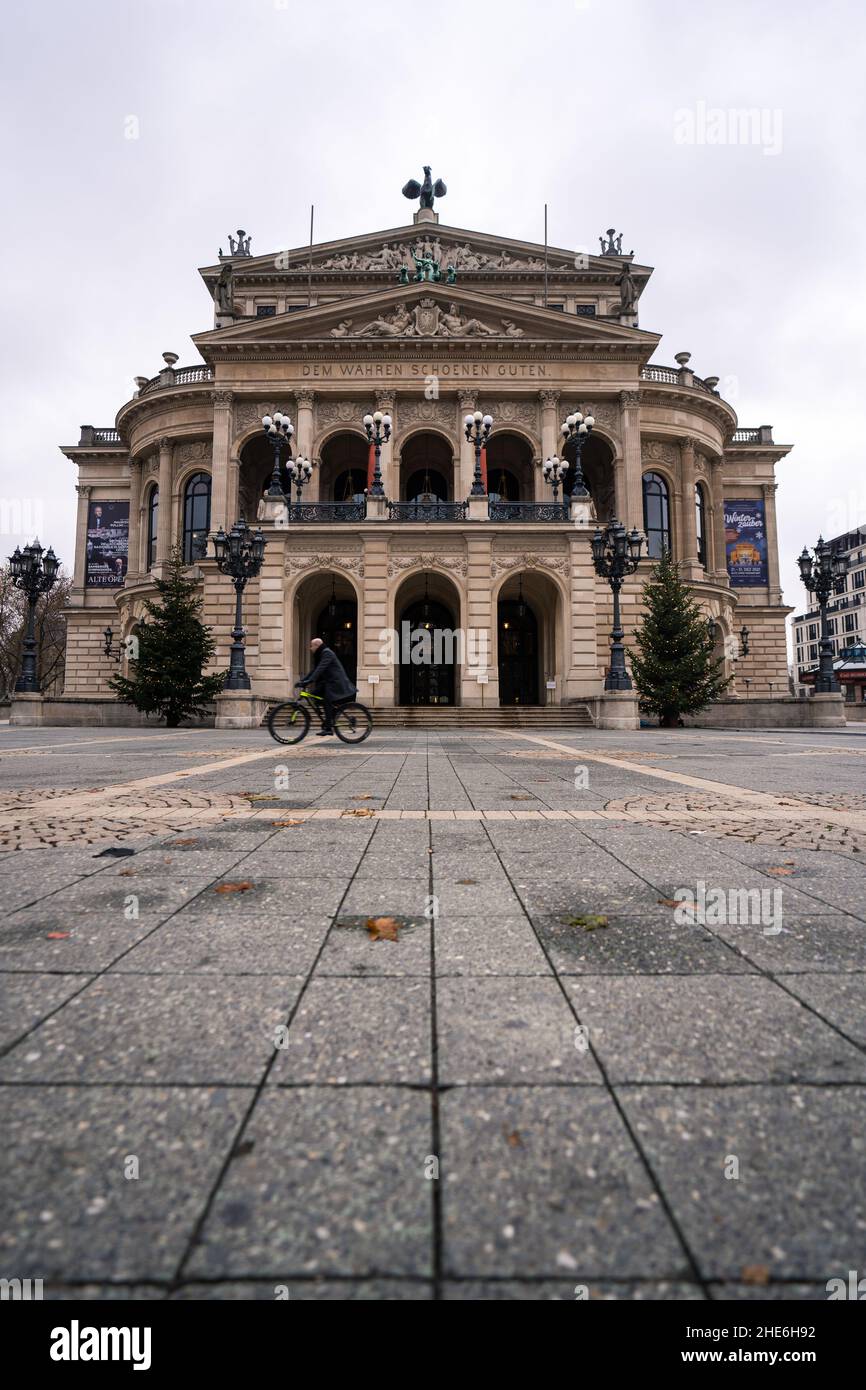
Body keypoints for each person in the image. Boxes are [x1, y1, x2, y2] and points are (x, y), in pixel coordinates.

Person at [299, 637, 356, 735]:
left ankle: (329, 728)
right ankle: (330, 717)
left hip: (335, 682)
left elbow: (320, 669)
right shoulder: (322, 654)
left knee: (327, 701)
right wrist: (303, 681)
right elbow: (315, 669)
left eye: (311, 646)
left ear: (317, 645)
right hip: (328, 682)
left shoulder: (327, 653)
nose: (310, 648)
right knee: (314, 695)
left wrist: (310, 680)